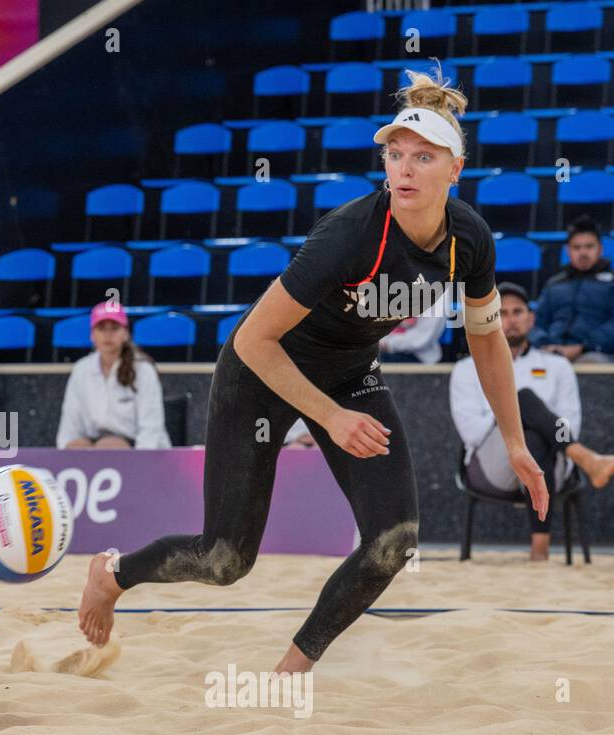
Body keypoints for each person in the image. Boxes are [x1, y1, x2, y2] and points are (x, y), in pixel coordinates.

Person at [78, 70, 549, 672]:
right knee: (225, 560)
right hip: (259, 373)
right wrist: (329, 416)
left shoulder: (470, 240)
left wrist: (514, 440)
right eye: (395, 154)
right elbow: (254, 339)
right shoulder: (350, 234)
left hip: (350, 373)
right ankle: (113, 574)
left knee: (395, 540)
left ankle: (291, 671)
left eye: (423, 157)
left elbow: (486, 341)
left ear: (455, 170)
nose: (403, 169)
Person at [451, 281, 614, 560]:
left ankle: (539, 550)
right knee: (523, 400)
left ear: (531, 318)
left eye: (517, 312)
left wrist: (532, 427)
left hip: (552, 462)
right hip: (493, 466)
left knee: (535, 437)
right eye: (501, 313)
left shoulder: (558, 366)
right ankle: (587, 459)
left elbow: (568, 425)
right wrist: (518, 420)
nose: (510, 320)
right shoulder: (466, 369)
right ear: (490, 317)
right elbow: (472, 433)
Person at [56, 302, 171, 449]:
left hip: (136, 446)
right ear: (92, 335)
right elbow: (70, 424)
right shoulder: (81, 369)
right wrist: (64, 451)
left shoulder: (143, 370)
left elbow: (151, 428)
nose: (108, 335)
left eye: (114, 328)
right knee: (77, 446)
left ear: (126, 334)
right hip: (94, 446)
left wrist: (142, 461)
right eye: (102, 328)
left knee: (109, 445)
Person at [530, 217, 614, 364]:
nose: (583, 252)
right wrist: (546, 344)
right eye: (577, 247)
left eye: (589, 247)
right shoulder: (554, 284)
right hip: (551, 351)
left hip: (593, 353)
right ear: (568, 251)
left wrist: (583, 347)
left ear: (600, 249)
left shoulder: (611, 283)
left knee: (592, 362)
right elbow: (536, 323)